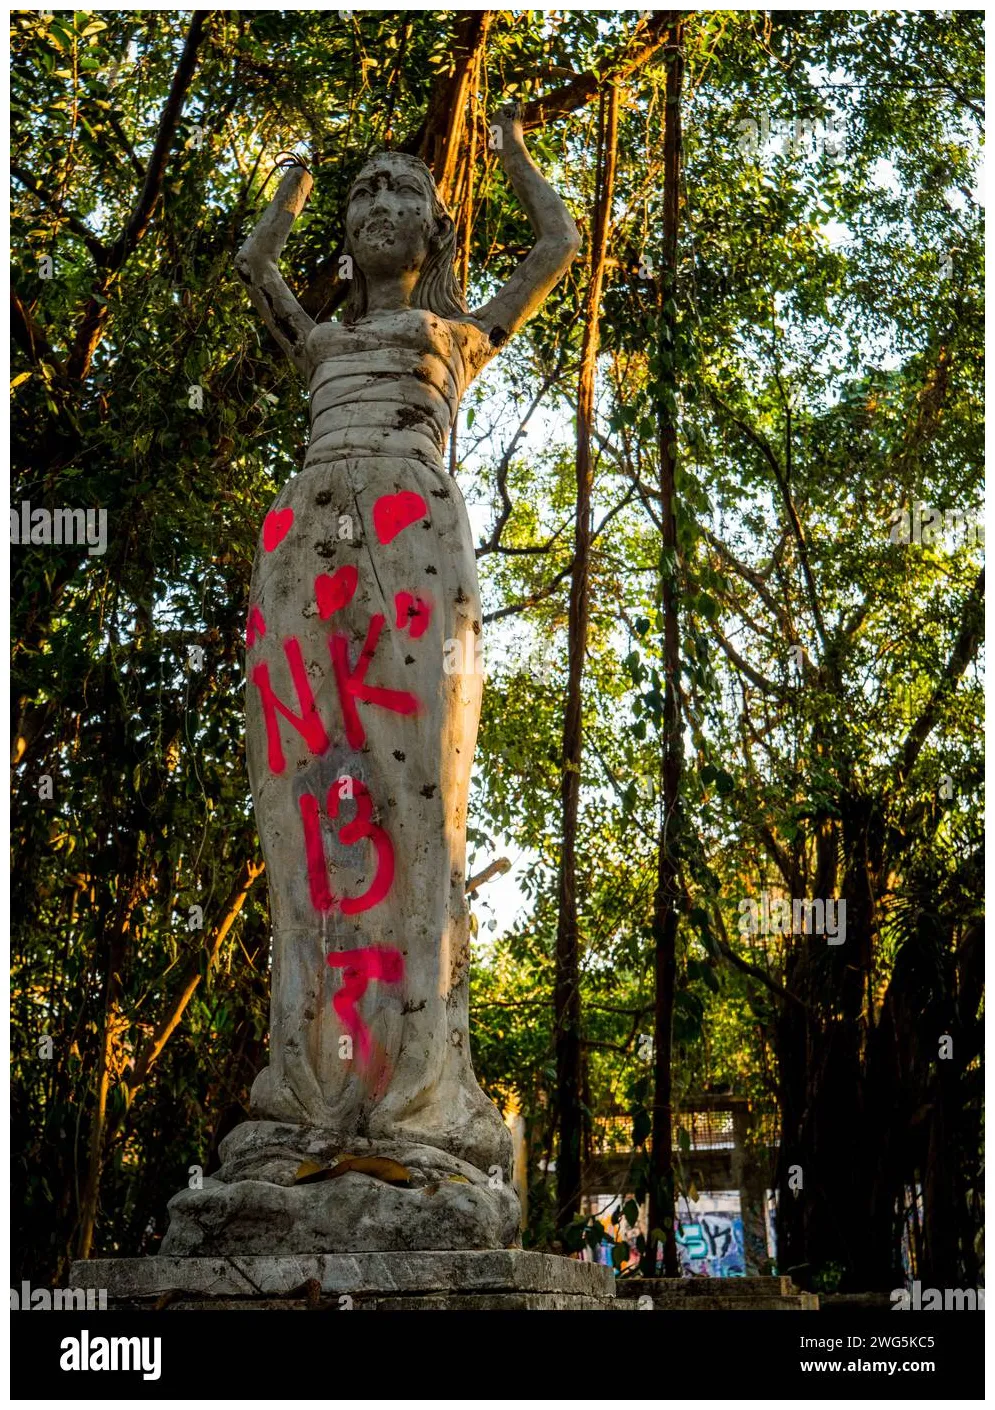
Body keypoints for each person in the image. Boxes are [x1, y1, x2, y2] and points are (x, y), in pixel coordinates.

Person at [234, 106, 580, 1177]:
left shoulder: (451, 336)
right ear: (347, 229)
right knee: (300, 797)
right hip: (303, 543)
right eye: (363, 191)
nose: (381, 205)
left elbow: (557, 247)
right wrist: (287, 196)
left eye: (403, 192)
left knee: (411, 788)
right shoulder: (322, 342)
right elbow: (254, 266)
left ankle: (413, 1089)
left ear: (435, 232)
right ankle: (310, 1083)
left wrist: (515, 160)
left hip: (412, 539)